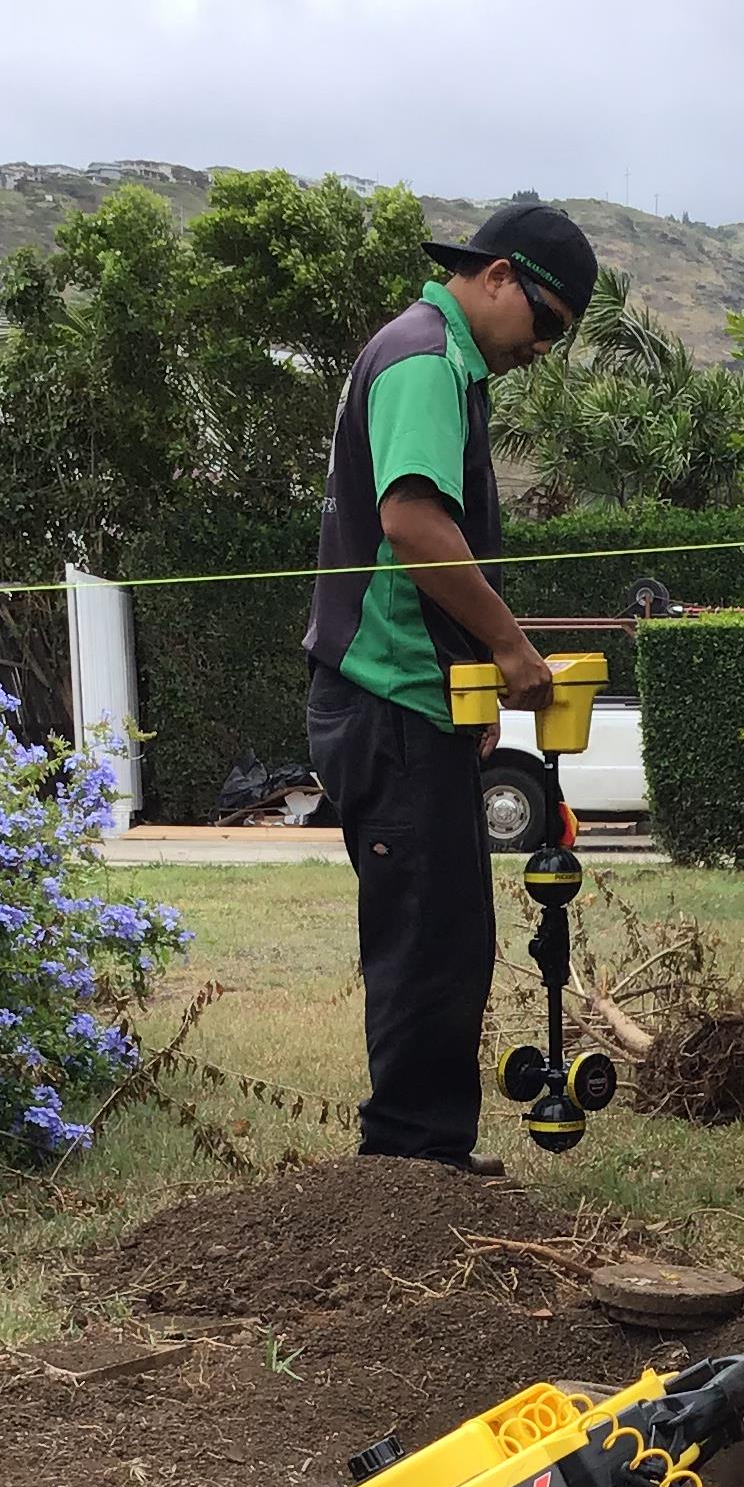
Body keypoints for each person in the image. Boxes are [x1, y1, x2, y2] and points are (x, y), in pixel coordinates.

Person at [305, 198, 598, 1171]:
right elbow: (414, 527)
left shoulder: (438, 357)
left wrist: (465, 688)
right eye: (546, 324)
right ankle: (409, 1177)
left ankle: (424, 1170)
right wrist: (514, 658)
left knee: (452, 939)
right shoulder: (427, 356)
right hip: (383, 705)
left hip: (414, 702)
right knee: (428, 947)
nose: (544, 349)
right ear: (500, 276)